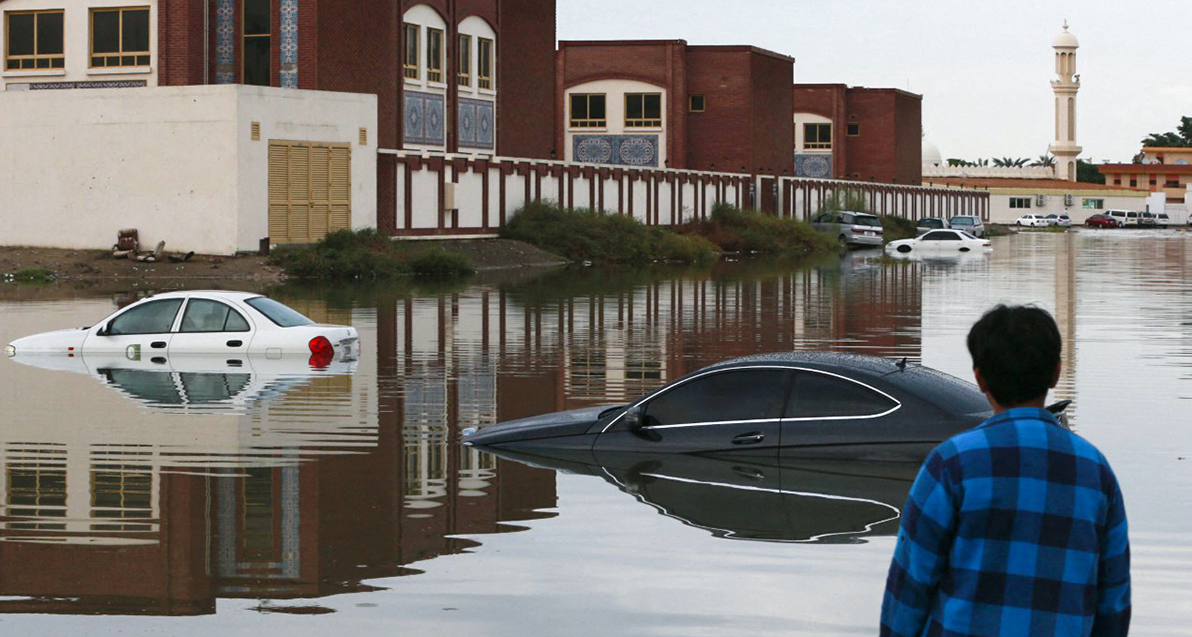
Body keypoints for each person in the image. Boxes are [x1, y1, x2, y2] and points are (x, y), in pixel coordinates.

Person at [880, 305, 1130, 637]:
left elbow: (910, 585)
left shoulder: (952, 464)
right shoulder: (1095, 470)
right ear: (1056, 373)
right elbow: (1113, 598)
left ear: (980, 377)